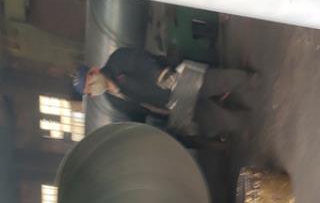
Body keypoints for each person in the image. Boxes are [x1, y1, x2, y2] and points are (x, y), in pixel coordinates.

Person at [74, 47, 254, 139]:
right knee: (218, 120)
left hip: (176, 82)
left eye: (90, 83)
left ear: (94, 71)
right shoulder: (114, 100)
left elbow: (140, 60)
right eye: (88, 91)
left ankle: (253, 81)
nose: (92, 89)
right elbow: (138, 115)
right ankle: (247, 123)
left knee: (219, 81)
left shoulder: (117, 60)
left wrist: (158, 74)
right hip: (173, 107)